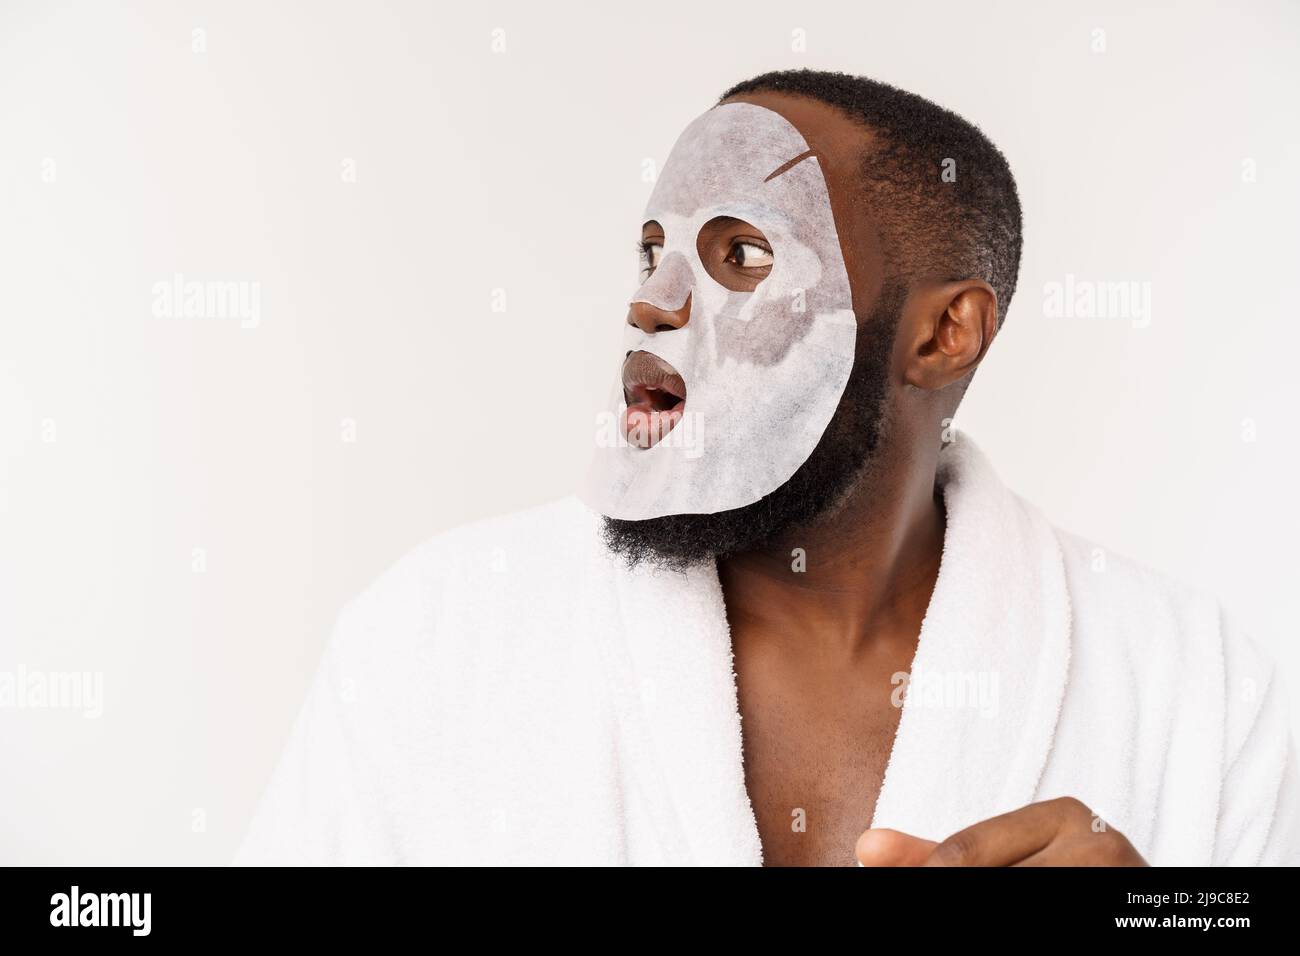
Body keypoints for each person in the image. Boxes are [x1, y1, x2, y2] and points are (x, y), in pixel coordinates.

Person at [235, 69, 1300, 866]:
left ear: (942, 334)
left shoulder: (1194, 686)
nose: (650, 298)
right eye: (650, 246)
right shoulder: (436, 636)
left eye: (739, 253)